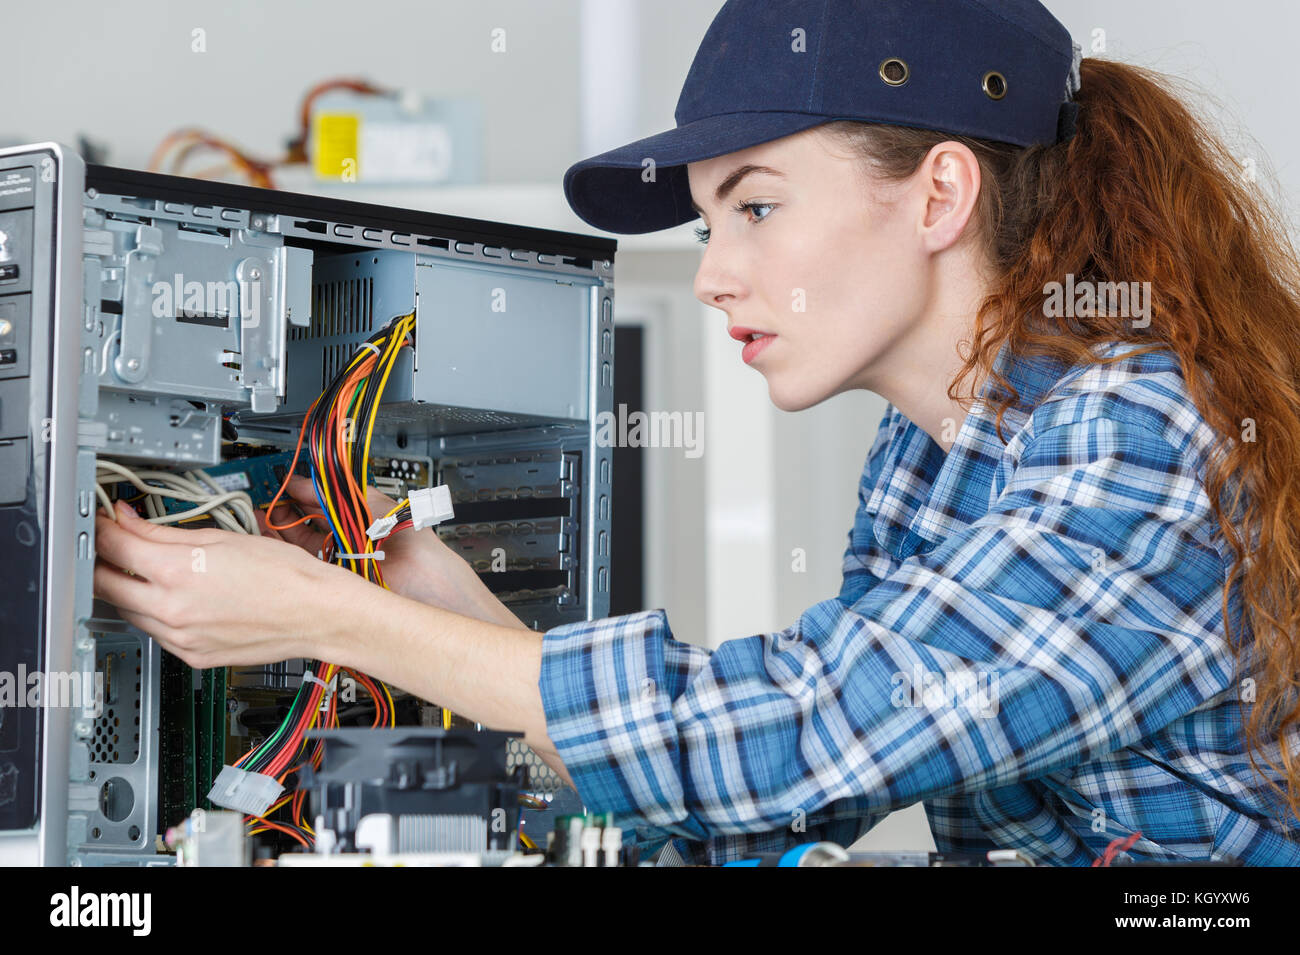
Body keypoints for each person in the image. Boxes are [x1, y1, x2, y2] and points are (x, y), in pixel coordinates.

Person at [93, 0, 1300, 865]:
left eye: (757, 207)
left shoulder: (1147, 436)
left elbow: (809, 731)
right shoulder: (932, 456)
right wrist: (441, 605)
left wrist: (337, 619)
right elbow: (773, 800)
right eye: (708, 228)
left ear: (939, 194)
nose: (715, 275)